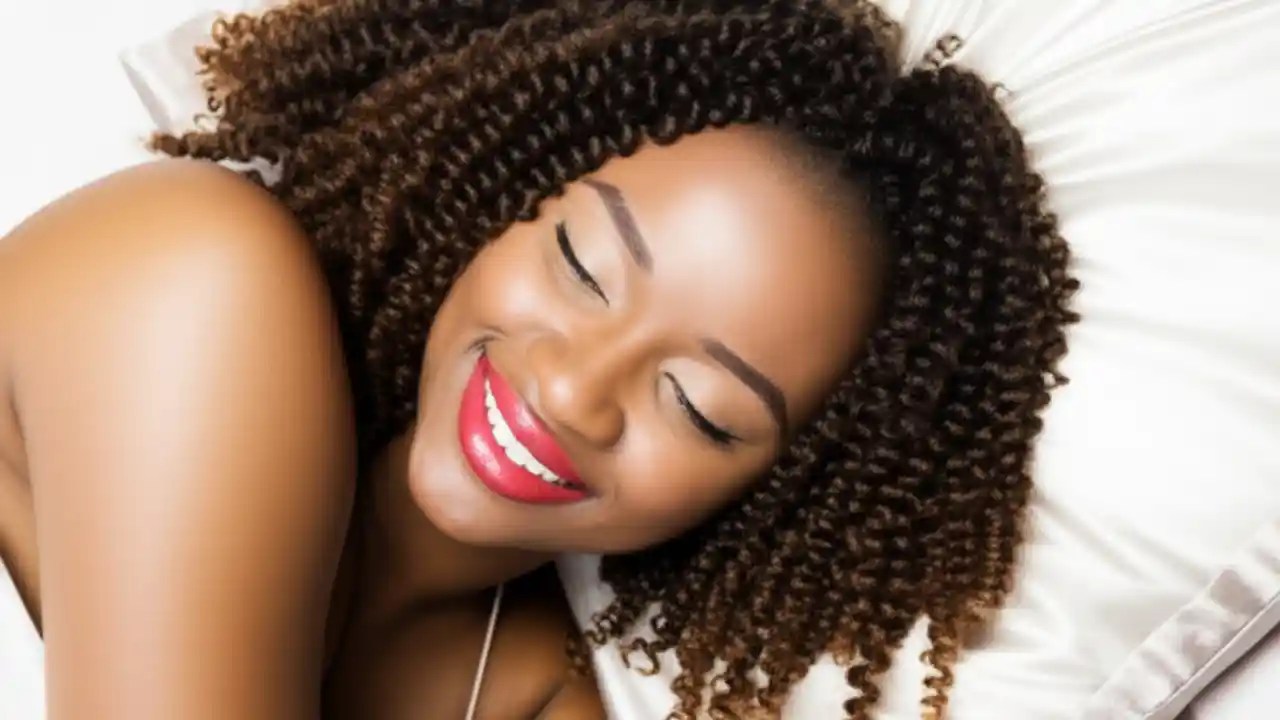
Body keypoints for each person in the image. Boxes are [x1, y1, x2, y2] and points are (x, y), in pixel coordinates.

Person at [0, 1, 1078, 718]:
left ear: (780, 496)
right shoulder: (194, 278)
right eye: (580, 266)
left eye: (699, 408)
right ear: (497, 196)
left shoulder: (526, 690)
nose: (571, 388)